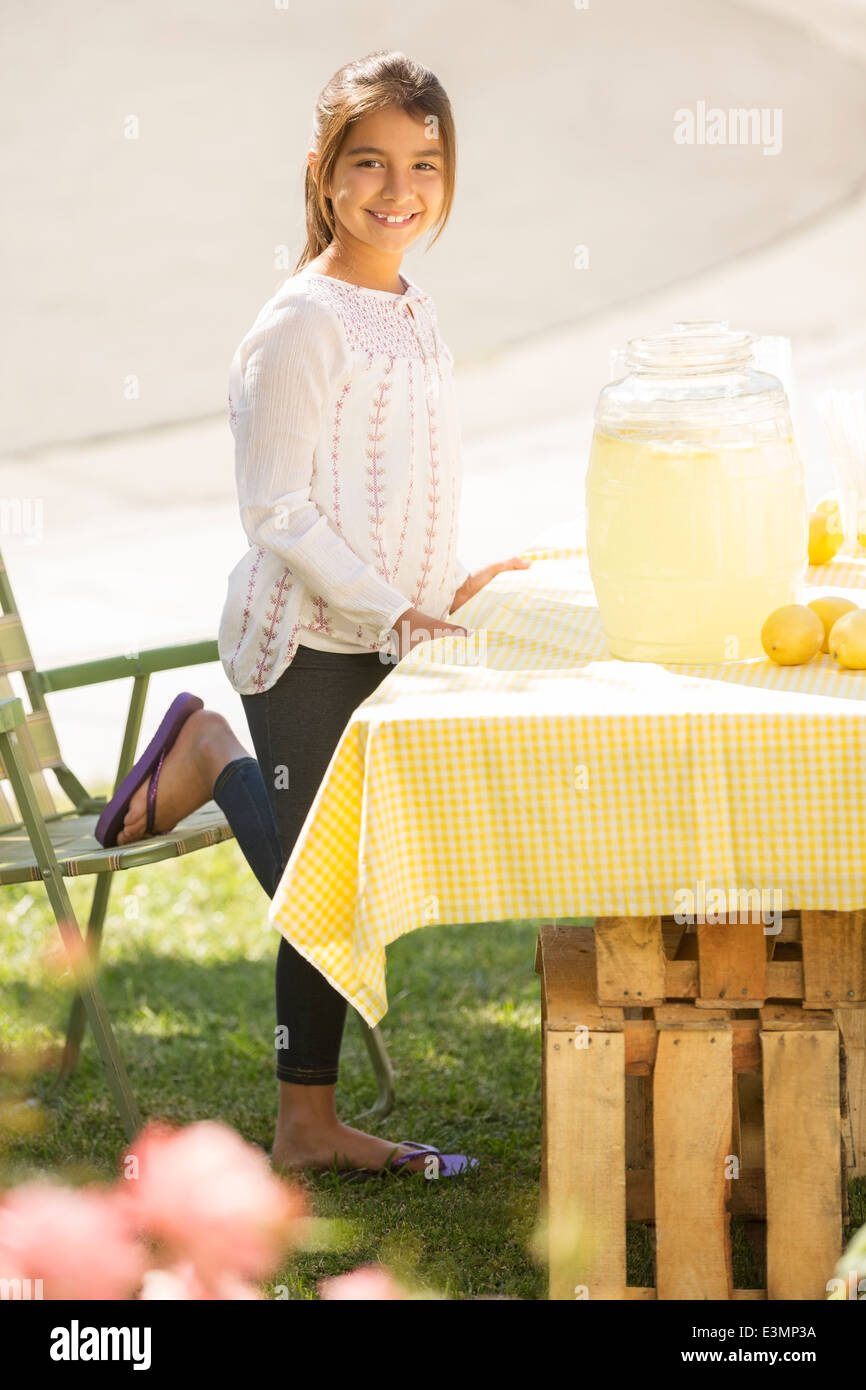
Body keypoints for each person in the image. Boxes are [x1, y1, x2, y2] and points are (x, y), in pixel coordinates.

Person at [100, 48, 531, 1176]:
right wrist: (397, 608)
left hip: (387, 628)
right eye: (372, 163)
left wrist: (447, 589)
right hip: (303, 639)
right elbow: (277, 509)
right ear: (323, 173)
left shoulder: (409, 306)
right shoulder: (301, 322)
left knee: (339, 875)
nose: (401, 188)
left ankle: (305, 1121)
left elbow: (397, 481)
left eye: (425, 163)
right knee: (318, 880)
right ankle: (208, 754)